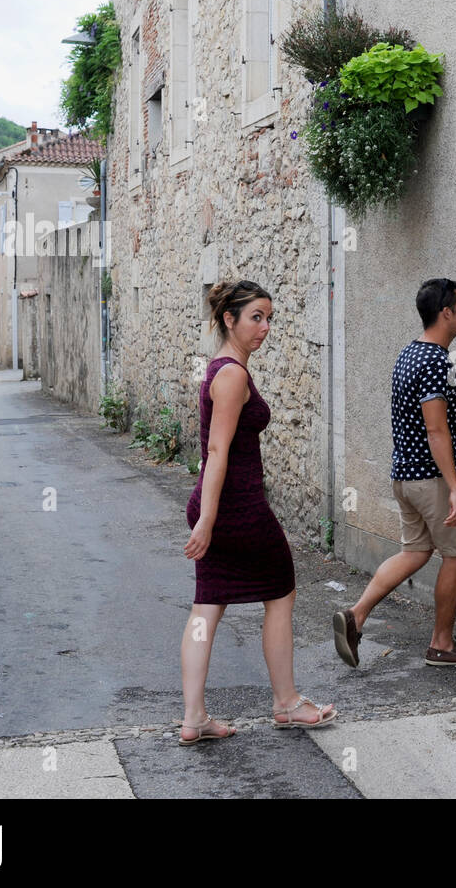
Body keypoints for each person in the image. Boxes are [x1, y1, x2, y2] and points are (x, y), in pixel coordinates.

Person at [179, 279, 336, 744]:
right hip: (238, 508)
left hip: (221, 507)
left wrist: (207, 517)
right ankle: (286, 703)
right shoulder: (232, 375)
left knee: (206, 608)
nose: (265, 327)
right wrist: (208, 520)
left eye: (269, 318)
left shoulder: (222, 369)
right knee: (281, 592)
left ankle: (194, 718)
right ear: (230, 320)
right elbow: (216, 449)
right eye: (256, 317)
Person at [333, 278, 456, 668]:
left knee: (415, 551)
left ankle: (356, 614)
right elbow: (434, 428)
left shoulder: (409, 354)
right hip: (431, 480)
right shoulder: (437, 361)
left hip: (406, 475)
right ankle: (442, 644)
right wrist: (453, 485)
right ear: (446, 313)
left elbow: (422, 423)